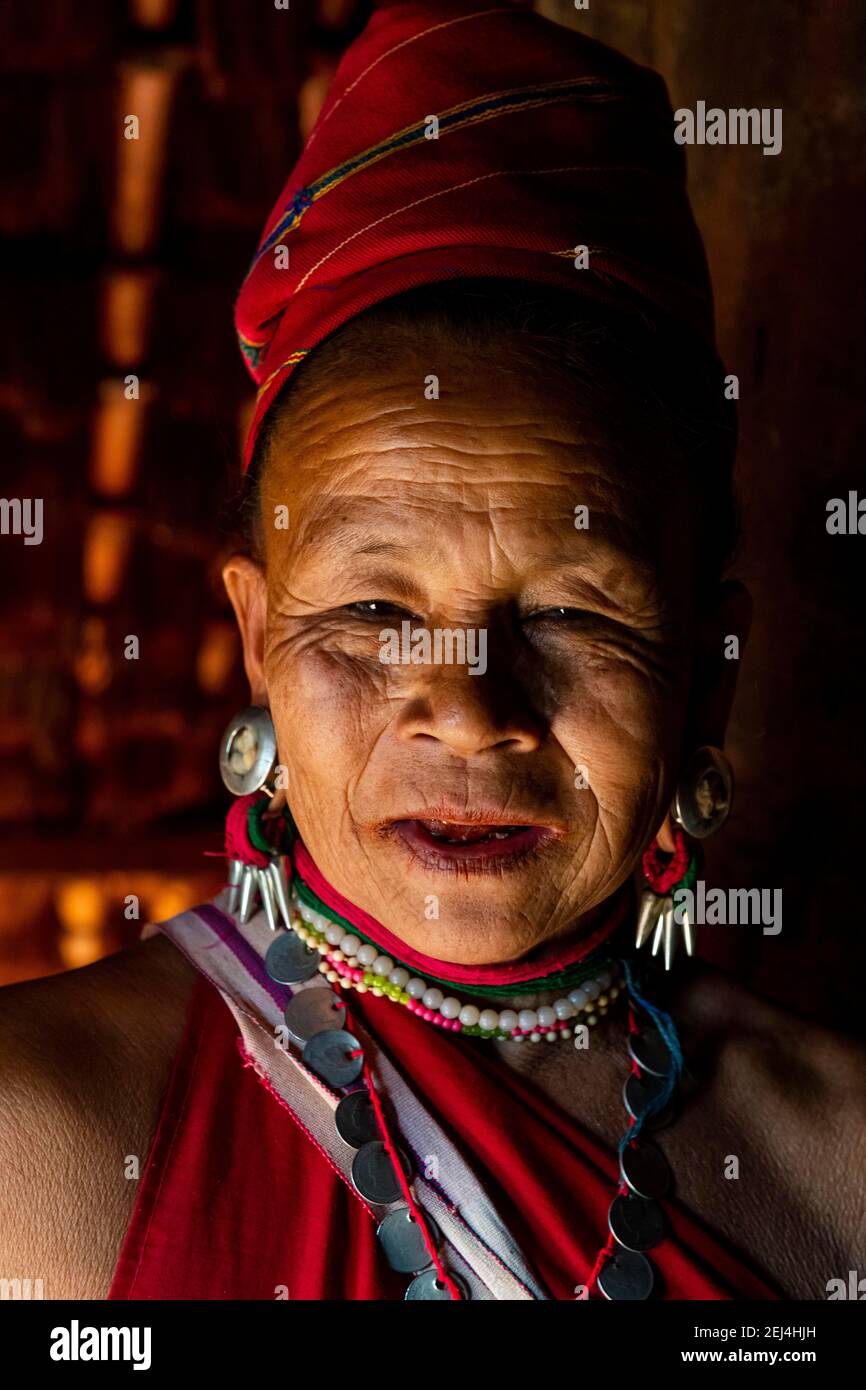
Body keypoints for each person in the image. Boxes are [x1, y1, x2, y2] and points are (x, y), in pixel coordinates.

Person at [1, 0, 863, 1302]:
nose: (467, 713)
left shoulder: (842, 1160)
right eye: (371, 615)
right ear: (255, 638)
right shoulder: (35, 1149)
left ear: (709, 662)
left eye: (572, 614)